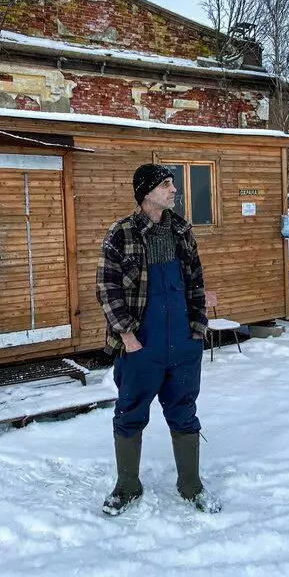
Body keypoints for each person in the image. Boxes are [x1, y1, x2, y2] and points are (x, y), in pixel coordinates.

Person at [95, 163, 222, 516]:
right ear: (146, 192)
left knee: (184, 413)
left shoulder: (182, 231)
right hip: (141, 344)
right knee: (130, 413)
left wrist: (198, 328)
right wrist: (127, 335)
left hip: (183, 343)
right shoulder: (120, 233)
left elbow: (196, 280)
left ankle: (190, 485)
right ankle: (127, 486)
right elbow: (107, 289)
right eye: (166, 184)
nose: (174, 189)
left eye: (172, 184)